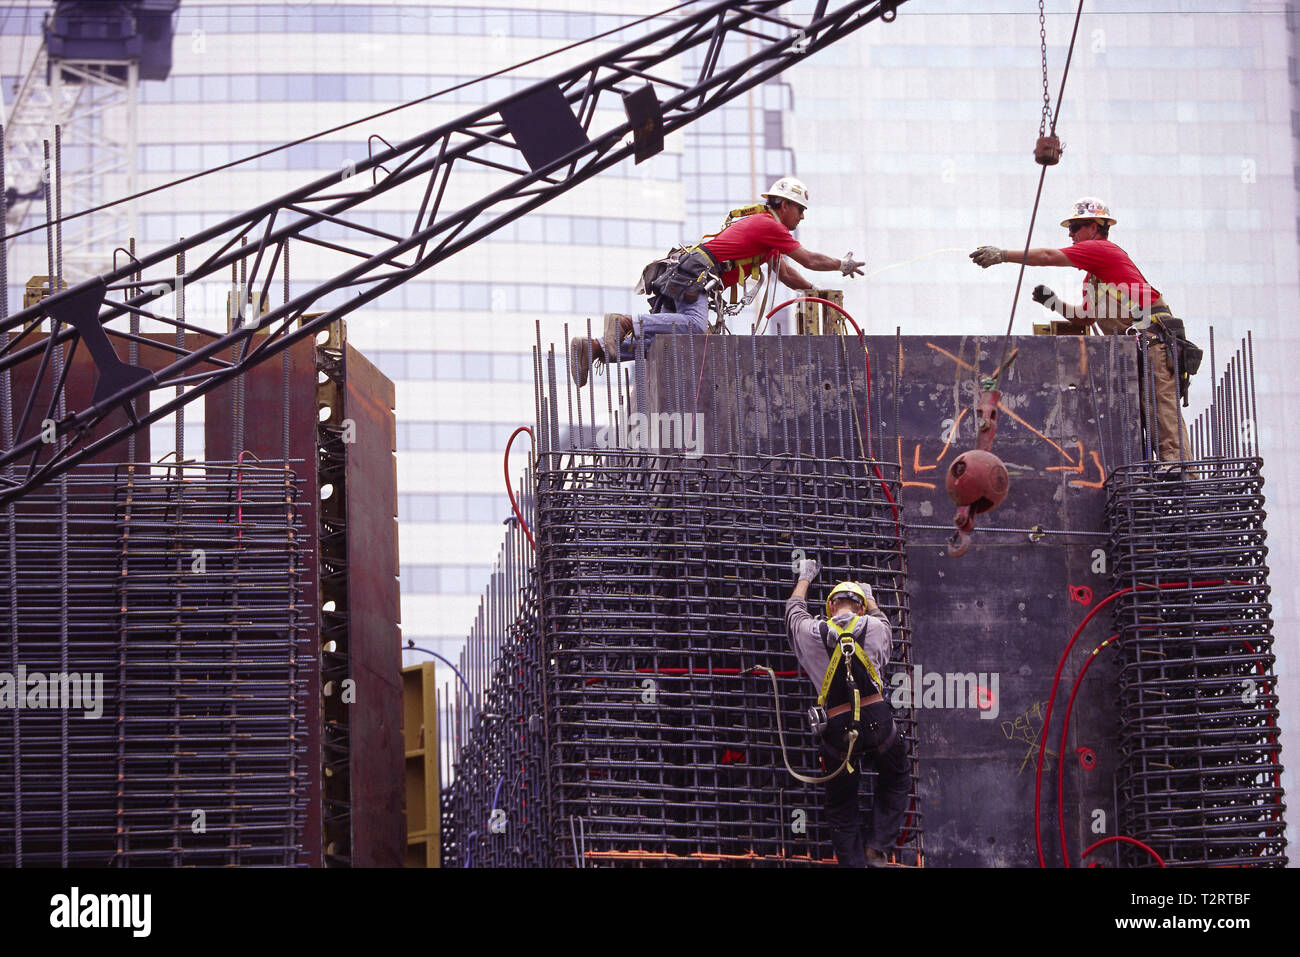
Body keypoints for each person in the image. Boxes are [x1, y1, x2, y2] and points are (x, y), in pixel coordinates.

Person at [568, 176, 865, 386]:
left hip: (687, 273)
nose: (802, 217)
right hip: (695, 274)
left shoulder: (766, 234)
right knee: (695, 327)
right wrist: (842, 264)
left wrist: (814, 292)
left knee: (660, 343)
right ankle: (625, 322)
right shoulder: (770, 226)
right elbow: (809, 260)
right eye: (800, 209)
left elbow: (786, 273)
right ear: (785, 205)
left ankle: (594, 348)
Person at [969, 197, 1196, 465]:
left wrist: (1003, 255)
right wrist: (1053, 303)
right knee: (1146, 417)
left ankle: (1183, 479)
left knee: (1163, 418)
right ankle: (1170, 473)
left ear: (1096, 227)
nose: (1071, 233)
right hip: (1138, 351)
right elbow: (1086, 316)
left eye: (1076, 227)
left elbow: (1048, 256)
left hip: (1154, 346)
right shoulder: (1093, 277)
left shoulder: (1103, 250)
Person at [786, 558, 909, 868]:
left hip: (837, 730)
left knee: (842, 805)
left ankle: (853, 863)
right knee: (895, 780)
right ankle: (878, 846)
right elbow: (883, 620)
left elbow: (793, 611)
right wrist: (869, 596)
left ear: (830, 608)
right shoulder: (877, 627)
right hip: (878, 722)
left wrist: (805, 578)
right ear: (861, 608)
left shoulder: (811, 631)